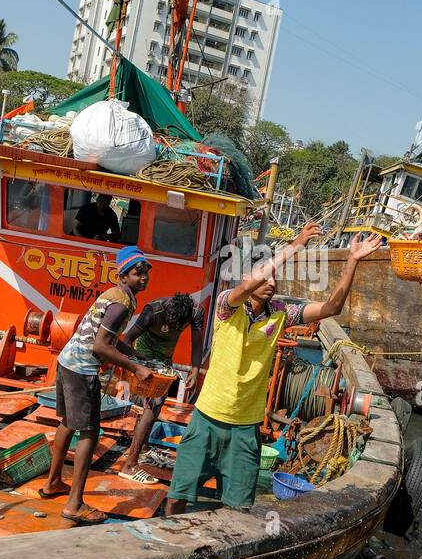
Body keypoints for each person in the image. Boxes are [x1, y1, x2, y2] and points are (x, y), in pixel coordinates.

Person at [164, 225, 385, 515]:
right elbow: (246, 287)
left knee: (239, 507)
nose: (271, 282)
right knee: (179, 493)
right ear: (247, 279)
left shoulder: (281, 312)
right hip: (208, 418)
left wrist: (353, 261)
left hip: (246, 427)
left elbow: (331, 307)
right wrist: (294, 246)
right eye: (265, 276)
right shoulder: (227, 305)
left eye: (274, 278)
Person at [37, 245, 155, 524]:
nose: (144, 278)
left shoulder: (119, 296)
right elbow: (102, 347)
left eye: (146, 273)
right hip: (82, 369)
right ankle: (75, 503)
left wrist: (134, 353)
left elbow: (111, 340)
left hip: (68, 360)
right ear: (123, 276)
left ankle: (52, 482)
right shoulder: (121, 303)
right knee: (89, 431)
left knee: (67, 422)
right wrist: (136, 368)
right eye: (137, 273)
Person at [119, 292, 207, 471]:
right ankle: (132, 459)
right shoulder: (153, 310)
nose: (174, 328)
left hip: (166, 359)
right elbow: (127, 339)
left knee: (156, 405)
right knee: (150, 404)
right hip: (144, 355)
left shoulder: (196, 311)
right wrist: (135, 364)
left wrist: (195, 370)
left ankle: (142, 448)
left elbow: (197, 343)